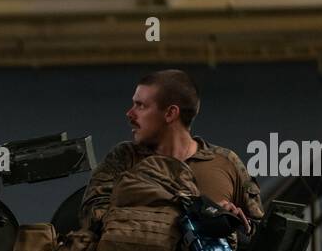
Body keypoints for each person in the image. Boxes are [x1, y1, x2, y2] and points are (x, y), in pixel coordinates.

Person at [80, 69, 263, 236]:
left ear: (170, 113)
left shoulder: (226, 162)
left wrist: (230, 221)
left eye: (141, 106)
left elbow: (259, 233)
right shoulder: (124, 158)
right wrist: (183, 216)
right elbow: (92, 218)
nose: (130, 113)